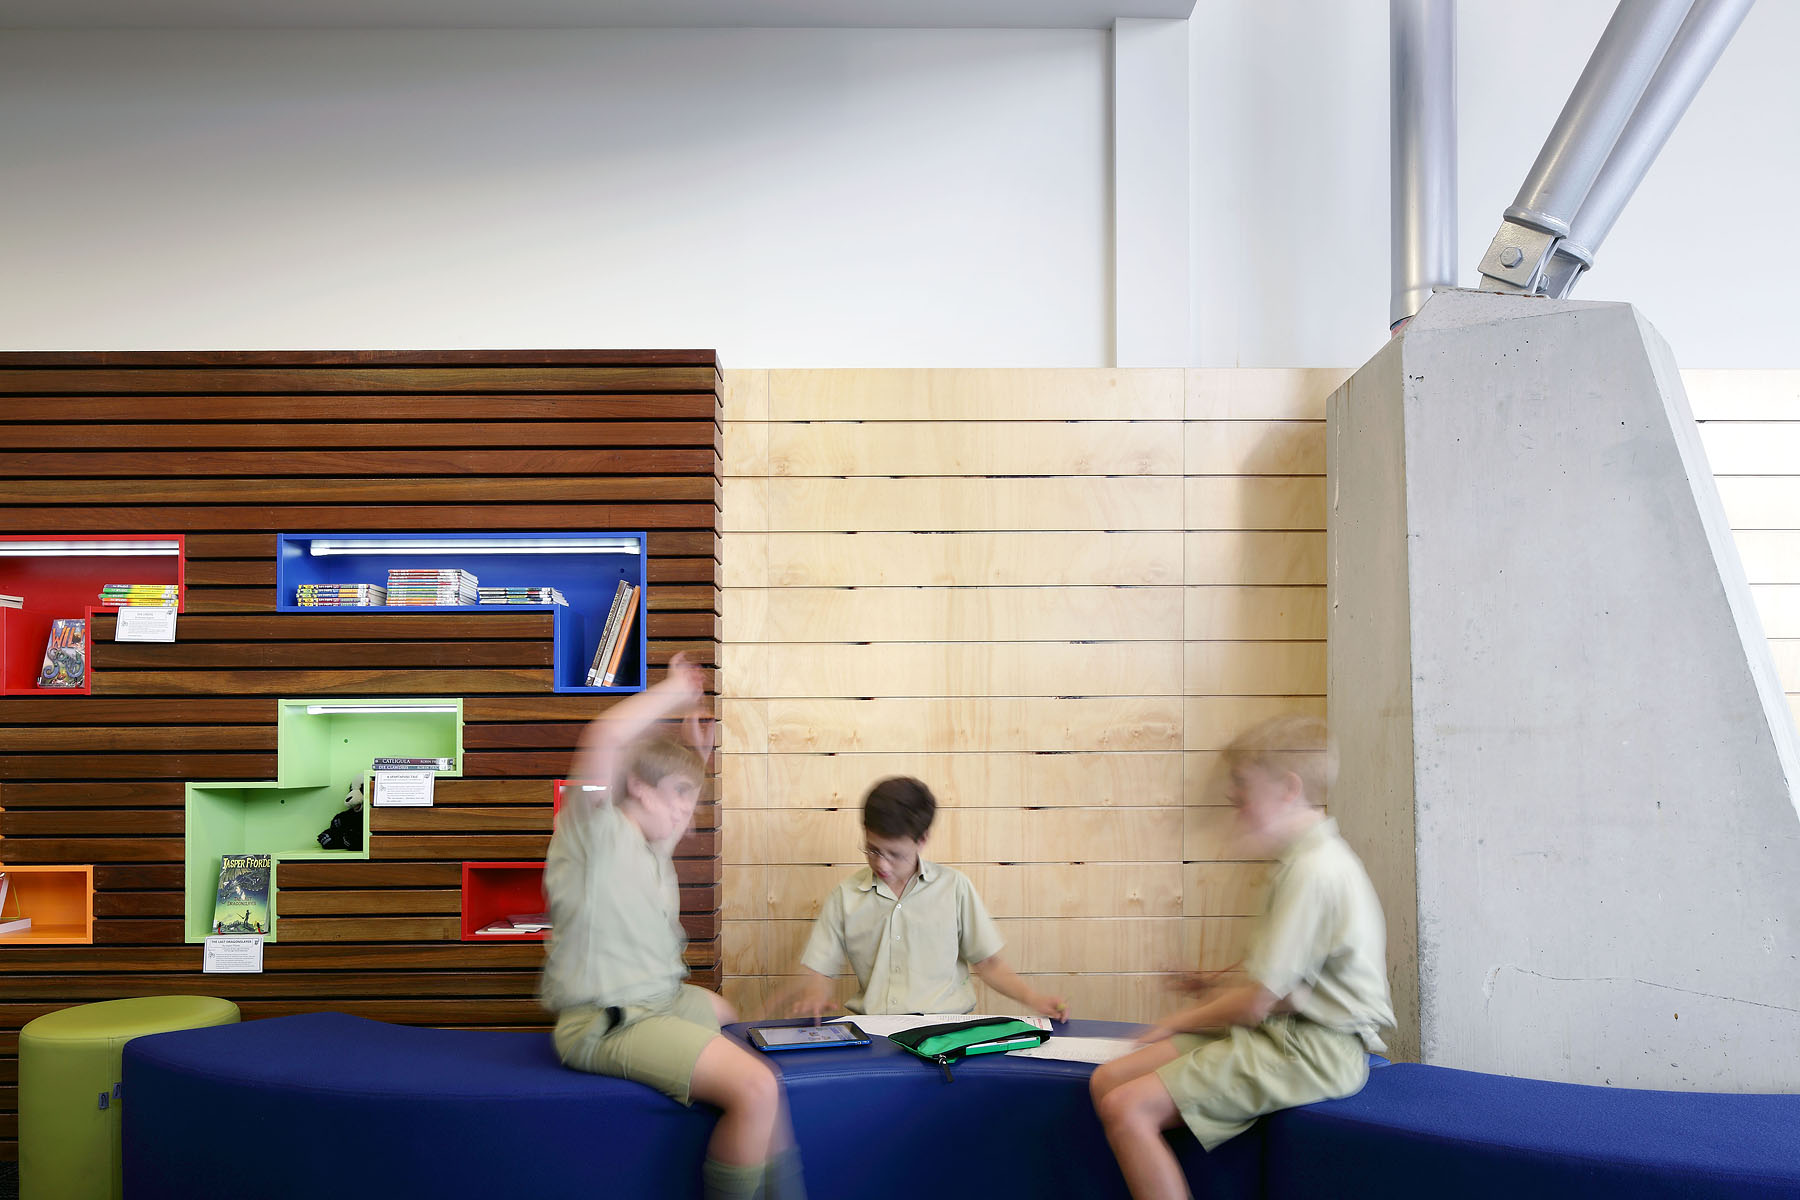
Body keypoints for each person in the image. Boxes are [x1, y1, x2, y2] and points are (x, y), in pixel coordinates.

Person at [1090, 714, 1393, 1200]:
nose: (1236, 803)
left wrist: (1174, 1021)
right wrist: (1212, 987)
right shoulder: (1299, 862)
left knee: (1128, 1108)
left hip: (1313, 1050)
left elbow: (1258, 1001)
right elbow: (1288, 983)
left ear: (1289, 789)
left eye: (1244, 791)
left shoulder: (1314, 870)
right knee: (1108, 1080)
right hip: (1279, 1029)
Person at [539, 652, 803, 1200]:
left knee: (729, 1016)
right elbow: (606, 736)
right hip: (607, 1020)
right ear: (638, 786)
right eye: (679, 796)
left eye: (693, 798)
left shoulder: (651, 844)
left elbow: (674, 800)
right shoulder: (592, 830)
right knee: (757, 1088)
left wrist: (693, 759)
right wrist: (676, 690)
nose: (688, 812)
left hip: (659, 1000)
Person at [785, 775, 1068, 1021]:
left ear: (922, 840)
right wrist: (815, 994)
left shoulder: (954, 888)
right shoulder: (845, 896)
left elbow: (989, 963)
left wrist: (1033, 999)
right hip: (876, 1031)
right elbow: (820, 968)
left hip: (946, 1029)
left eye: (895, 854)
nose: (882, 864)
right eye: (872, 850)